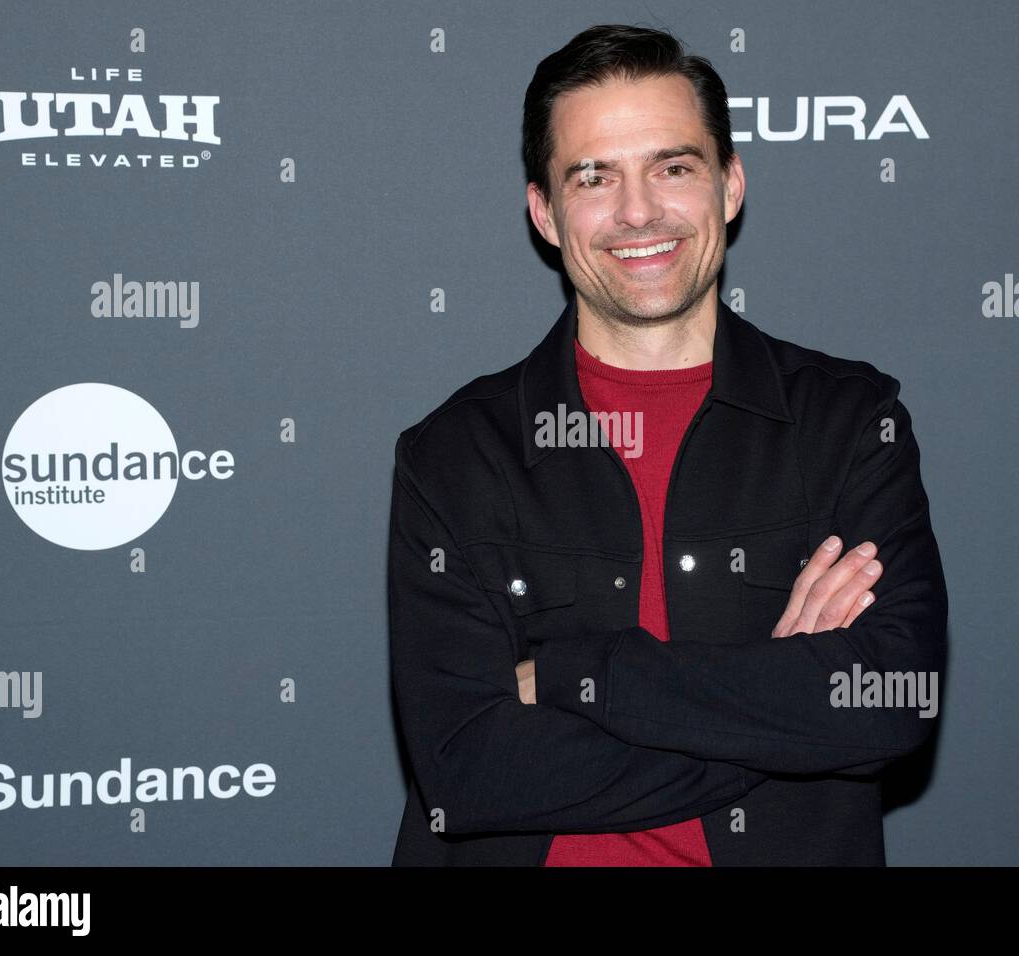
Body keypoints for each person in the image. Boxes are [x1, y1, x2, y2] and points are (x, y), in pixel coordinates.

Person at [388, 23, 948, 866]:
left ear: (730, 186)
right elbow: (470, 771)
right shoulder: (456, 456)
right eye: (595, 177)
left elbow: (889, 701)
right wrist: (773, 698)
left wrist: (586, 678)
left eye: (673, 167)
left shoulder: (847, 423)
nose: (638, 211)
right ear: (544, 211)